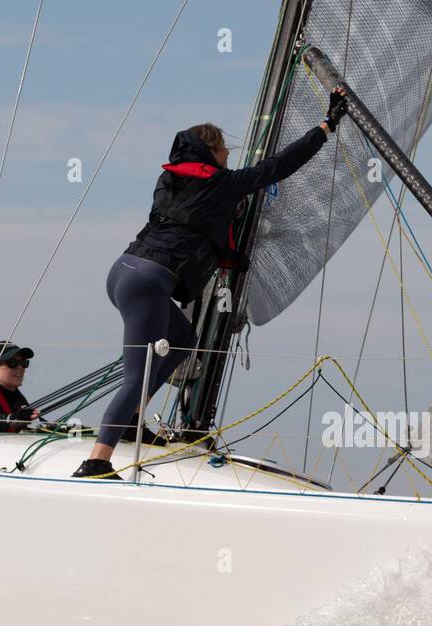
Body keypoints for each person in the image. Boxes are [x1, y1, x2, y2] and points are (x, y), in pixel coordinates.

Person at [72, 88, 351, 478]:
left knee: (182, 339)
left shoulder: (169, 182)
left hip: (125, 270)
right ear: (210, 153)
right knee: (137, 375)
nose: (227, 158)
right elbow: (279, 166)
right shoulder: (221, 185)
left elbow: (192, 228)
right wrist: (325, 126)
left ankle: (135, 421)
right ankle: (97, 461)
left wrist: (225, 254)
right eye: (223, 152)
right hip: (148, 282)